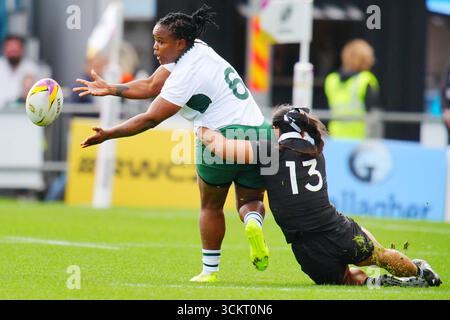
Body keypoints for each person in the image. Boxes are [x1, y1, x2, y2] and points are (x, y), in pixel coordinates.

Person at [73, 5, 271, 283]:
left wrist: (108, 134)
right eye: (155, 39)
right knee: (250, 201)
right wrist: (112, 88)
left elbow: (150, 119)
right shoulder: (197, 46)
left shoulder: (184, 76)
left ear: (179, 43)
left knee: (211, 207)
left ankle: (209, 271)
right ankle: (252, 222)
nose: (154, 47)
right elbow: (152, 85)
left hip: (219, 138)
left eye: (160, 41)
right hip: (259, 134)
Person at [196, 105, 442, 287]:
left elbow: (222, 149)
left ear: (279, 129)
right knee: (378, 256)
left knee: (344, 280)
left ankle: (392, 281)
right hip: (334, 228)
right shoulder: (315, 151)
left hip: (303, 245)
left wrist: (204, 130)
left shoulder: (269, 152)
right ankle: (419, 273)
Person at [324, 39, 379, 139]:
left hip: (335, 136)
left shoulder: (331, 79)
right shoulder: (366, 79)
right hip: (360, 137)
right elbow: (372, 110)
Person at [0, 34, 39, 108]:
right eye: (10, 49)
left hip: (22, 113)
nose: (13, 53)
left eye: (15, 50)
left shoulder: (31, 68)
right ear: (5, 49)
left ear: (22, 50)